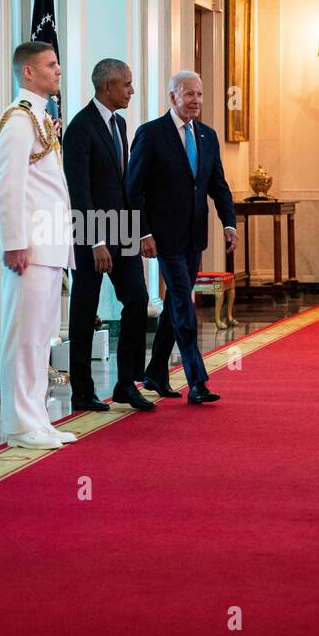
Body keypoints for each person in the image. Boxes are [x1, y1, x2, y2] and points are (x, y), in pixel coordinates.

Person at [126, 71, 238, 405]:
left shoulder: (207, 136)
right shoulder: (150, 134)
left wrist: (228, 222)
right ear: (173, 96)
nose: (196, 101)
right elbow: (134, 191)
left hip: (194, 236)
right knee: (181, 302)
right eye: (190, 94)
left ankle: (156, 372)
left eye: (200, 95)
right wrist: (143, 232)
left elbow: (217, 185)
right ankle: (197, 380)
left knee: (176, 303)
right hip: (163, 237)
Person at [0, 41, 76, 448]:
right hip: (29, 248)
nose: (58, 70)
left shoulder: (42, 117)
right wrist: (14, 242)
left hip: (48, 245)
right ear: (28, 71)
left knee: (41, 337)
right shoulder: (19, 120)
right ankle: (20, 424)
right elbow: (9, 186)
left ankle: (38, 417)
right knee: (23, 337)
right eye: (50, 64)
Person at [62, 58, 154, 413]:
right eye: (127, 84)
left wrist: (143, 230)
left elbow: (127, 185)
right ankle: (82, 391)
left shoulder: (120, 124)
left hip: (125, 229)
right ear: (107, 88)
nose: (131, 90)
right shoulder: (80, 128)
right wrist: (96, 241)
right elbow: (79, 190)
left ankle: (126, 383)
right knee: (84, 311)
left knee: (137, 300)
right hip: (91, 234)